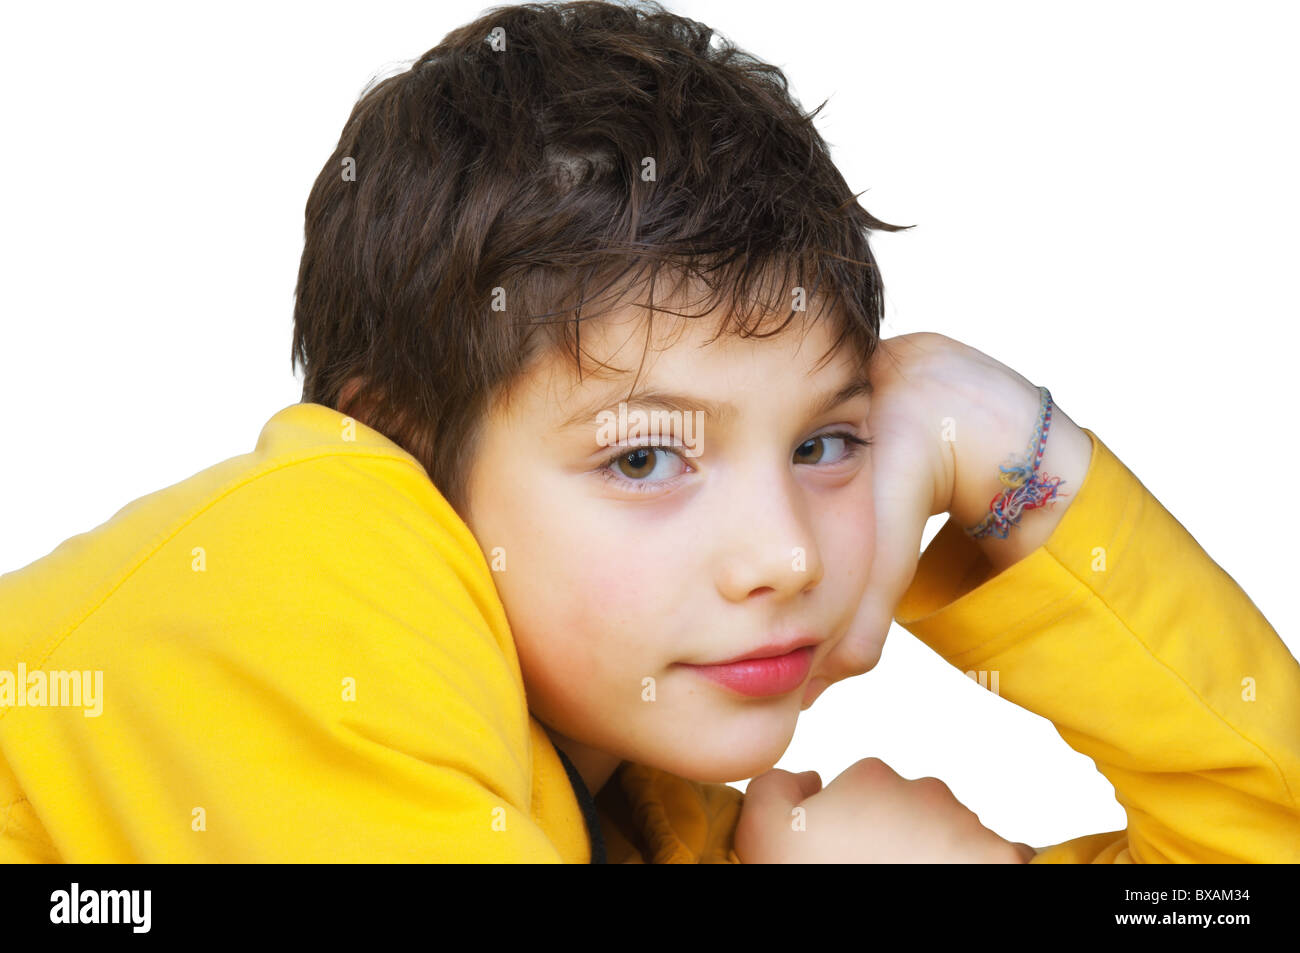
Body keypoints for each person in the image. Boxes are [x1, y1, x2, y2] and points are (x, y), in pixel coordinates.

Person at [2, 0, 1296, 863]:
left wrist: (1017, 459)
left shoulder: (648, 820)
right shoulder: (308, 557)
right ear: (401, 445)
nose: (784, 555)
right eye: (642, 456)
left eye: (825, 443)